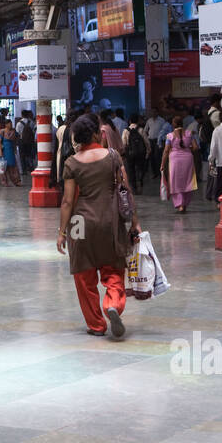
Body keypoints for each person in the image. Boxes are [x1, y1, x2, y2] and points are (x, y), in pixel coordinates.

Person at [57, 114, 138, 339]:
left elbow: (67, 201)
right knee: (113, 270)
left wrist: (62, 232)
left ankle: (96, 325)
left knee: (84, 276)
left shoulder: (71, 162)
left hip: (78, 223)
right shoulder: (113, 157)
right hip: (110, 221)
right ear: (95, 134)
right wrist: (135, 222)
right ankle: (113, 303)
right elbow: (126, 191)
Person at [160, 115, 198, 212]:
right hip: (188, 159)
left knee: (175, 182)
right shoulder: (189, 134)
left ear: (174, 124)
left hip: (174, 160)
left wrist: (162, 164)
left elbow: (166, 150)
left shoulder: (170, 136)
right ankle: (184, 204)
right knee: (187, 182)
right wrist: (187, 148)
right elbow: (195, 147)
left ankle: (180, 204)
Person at [208, 110, 222, 200]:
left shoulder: (217, 130)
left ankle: (219, 200)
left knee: (220, 182)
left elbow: (213, 147)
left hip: (221, 160)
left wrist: (211, 159)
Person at [123, 115, 148, 194]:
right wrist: (148, 150)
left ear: (130, 121)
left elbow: (123, 143)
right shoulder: (141, 130)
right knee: (139, 168)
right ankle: (140, 182)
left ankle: (133, 188)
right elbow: (146, 141)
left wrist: (124, 153)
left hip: (130, 153)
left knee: (131, 170)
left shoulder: (126, 131)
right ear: (138, 121)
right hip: (140, 153)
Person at [0, 119, 21, 186]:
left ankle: (16, 181)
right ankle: (4, 181)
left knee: (13, 166)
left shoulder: (14, 131)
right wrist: (0, 152)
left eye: (11, 123)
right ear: (6, 124)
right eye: (9, 124)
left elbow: (17, 138)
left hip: (11, 151)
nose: (11, 125)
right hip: (4, 150)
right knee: (3, 166)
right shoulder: (1, 132)